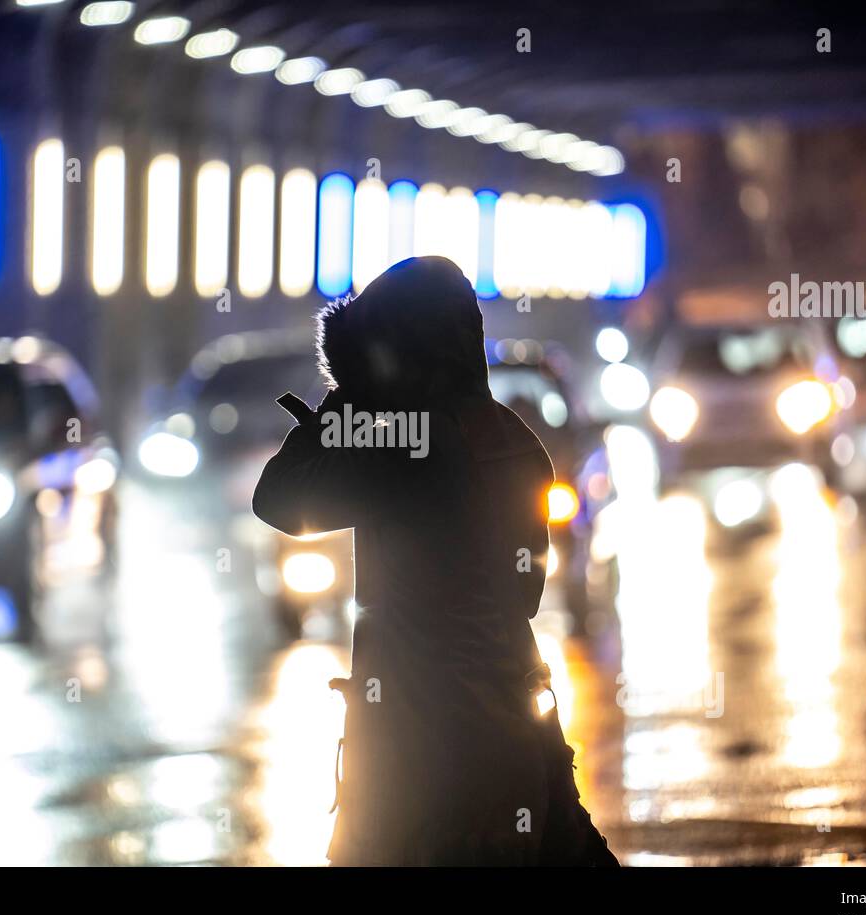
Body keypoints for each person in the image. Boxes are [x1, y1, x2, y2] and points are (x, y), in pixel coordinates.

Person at [254, 256, 617, 866]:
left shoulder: (411, 442)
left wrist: (340, 411)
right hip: (513, 728)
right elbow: (525, 594)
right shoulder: (513, 437)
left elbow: (281, 499)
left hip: (417, 753)